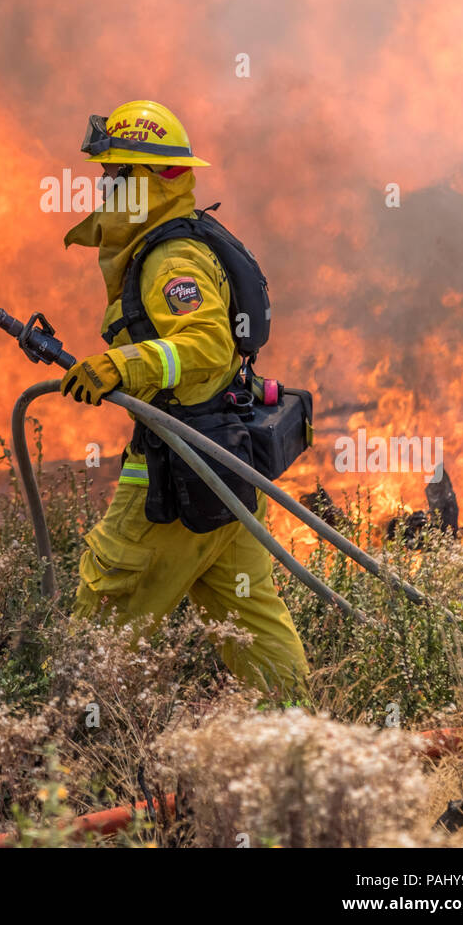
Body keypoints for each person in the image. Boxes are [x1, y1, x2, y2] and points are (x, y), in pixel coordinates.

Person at [61, 99, 309, 693]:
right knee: (254, 631)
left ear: (143, 181)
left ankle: (65, 765)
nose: (104, 187)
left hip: (178, 476)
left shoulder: (170, 257)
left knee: (101, 623)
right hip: (225, 472)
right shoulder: (179, 239)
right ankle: (303, 751)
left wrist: (121, 364)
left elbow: (204, 345)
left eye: (114, 175)